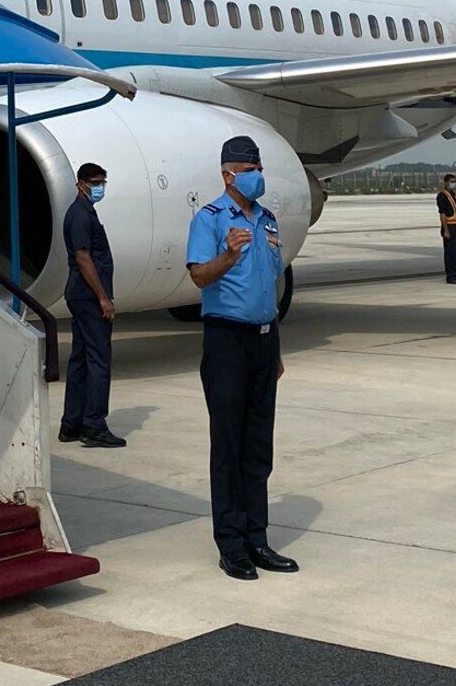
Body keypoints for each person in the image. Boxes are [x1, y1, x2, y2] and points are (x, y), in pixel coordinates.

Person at [187, 136, 300, 581]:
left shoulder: (267, 220)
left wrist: (276, 346)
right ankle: (230, 543)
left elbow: (272, 282)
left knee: (258, 447)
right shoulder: (210, 219)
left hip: (263, 341)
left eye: (258, 165)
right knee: (229, 446)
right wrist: (229, 255)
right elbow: (199, 276)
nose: (256, 173)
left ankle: (258, 537)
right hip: (227, 342)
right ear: (227, 174)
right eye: (247, 167)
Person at [58, 163, 126, 448]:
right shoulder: (80, 216)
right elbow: (84, 258)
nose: (100, 187)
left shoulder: (84, 212)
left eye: (103, 182)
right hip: (88, 297)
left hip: (80, 294)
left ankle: (72, 423)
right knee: (99, 360)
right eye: (95, 182)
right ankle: (94, 425)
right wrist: (103, 298)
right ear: (80, 184)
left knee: (81, 359)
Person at [437, 174, 456, 284]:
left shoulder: (454, 195)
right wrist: (446, 229)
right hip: (450, 227)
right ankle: (451, 276)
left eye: (455, 181)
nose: (454, 183)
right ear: (446, 182)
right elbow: (442, 213)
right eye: (452, 181)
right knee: (450, 252)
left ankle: (455, 273)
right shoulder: (442, 196)